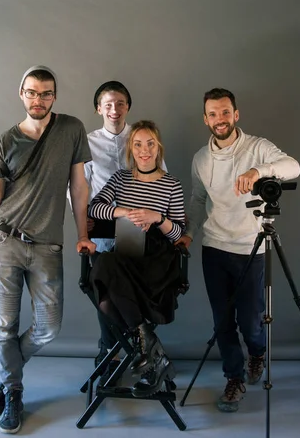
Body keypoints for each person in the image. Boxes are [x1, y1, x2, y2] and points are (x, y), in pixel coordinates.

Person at [0, 65, 91, 434]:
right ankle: (13, 392)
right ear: (21, 94)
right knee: (5, 325)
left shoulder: (71, 129)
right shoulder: (6, 141)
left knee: (49, 327)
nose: (39, 99)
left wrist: (82, 233)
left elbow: (79, 188)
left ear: (55, 97)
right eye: (32, 92)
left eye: (46, 93)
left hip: (47, 243)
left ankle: (2, 371)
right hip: (4, 240)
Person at [181, 87, 300, 413]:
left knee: (251, 321)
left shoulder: (258, 148)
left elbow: (293, 167)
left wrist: (257, 171)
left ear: (236, 114)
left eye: (225, 112)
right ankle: (233, 378)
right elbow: (197, 200)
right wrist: (189, 234)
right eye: (213, 114)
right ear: (205, 119)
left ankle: (257, 354)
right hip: (214, 248)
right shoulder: (201, 159)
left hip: (251, 247)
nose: (220, 119)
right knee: (223, 322)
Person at [78, 120, 186, 398]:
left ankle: (148, 351)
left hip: (157, 264)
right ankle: (149, 348)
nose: (144, 150)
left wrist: (157, 218)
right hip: (126, 256)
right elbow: (95, 208)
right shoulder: (120, 179)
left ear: (158, 147)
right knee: (103, 268)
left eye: (150, 143)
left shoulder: (172, 184)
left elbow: (178, 235)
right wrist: (124, 212)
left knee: (106, 279)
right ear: (131, 148)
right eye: (138, 144)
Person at [84, 81, 132, 377]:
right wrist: (82, 228)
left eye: (121, 103)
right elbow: (77, 189)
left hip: (135, 225)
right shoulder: (87, 142)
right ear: (98, 108)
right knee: (104, 291)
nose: (114, 110)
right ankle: (109, 351)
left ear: (128, 107)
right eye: (108, 104)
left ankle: (138, 350)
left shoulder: (140, 137)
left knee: (132, 288)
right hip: (100, 225)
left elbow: (160, 175)